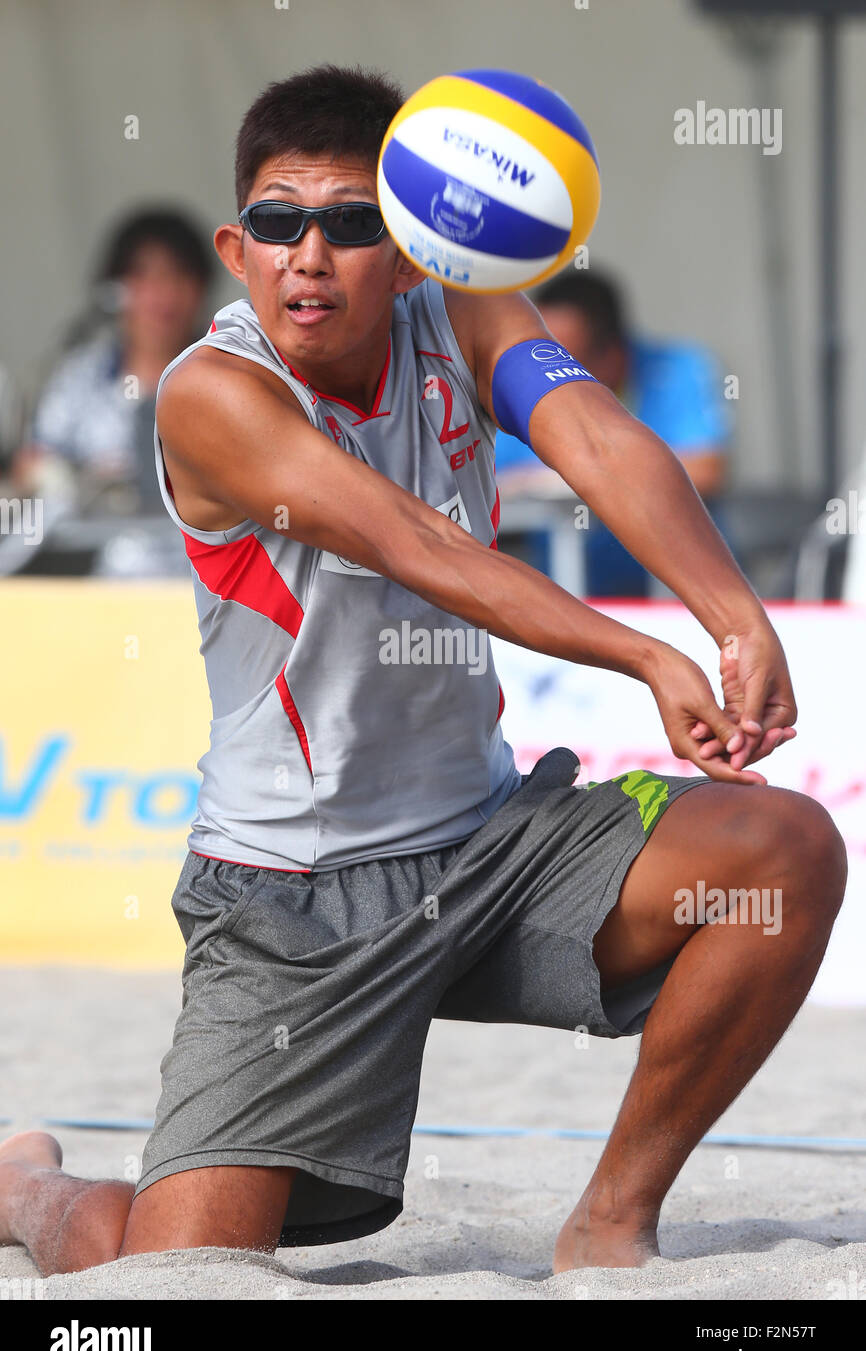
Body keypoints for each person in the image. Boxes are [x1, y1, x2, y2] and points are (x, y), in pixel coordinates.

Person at [0, 64, 846, 1277]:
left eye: (349, 224)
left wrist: (732, 614)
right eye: (281, 223)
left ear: (405, 251)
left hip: (487, 843)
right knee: (164, 1263)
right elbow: (420, 545)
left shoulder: (464, 309)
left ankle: (610, 1219)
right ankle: (25, 1186)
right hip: (289, 900)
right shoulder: (211, 395)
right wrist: (642, 650)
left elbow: (596, 437)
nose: (310, 253)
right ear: (236, 249)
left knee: (784, 857)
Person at [496, 269, 734, 596]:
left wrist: (577, 473)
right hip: (570, 599)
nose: (547, 372)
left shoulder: (676, 369)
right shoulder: (523, 386)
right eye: (538, 357)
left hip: (681, 601)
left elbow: (705, 470)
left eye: (565, 359)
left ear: (613, 354)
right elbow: (481, 478)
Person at [12, 207, 214, 520]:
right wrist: (69, 480)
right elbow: (31, 464)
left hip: (202, 561)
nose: (163, 292)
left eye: (179, 273)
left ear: (201, 287)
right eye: (144, 275)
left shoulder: (230, 373)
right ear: (114, 289)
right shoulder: (79, 377)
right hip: (93, 562)